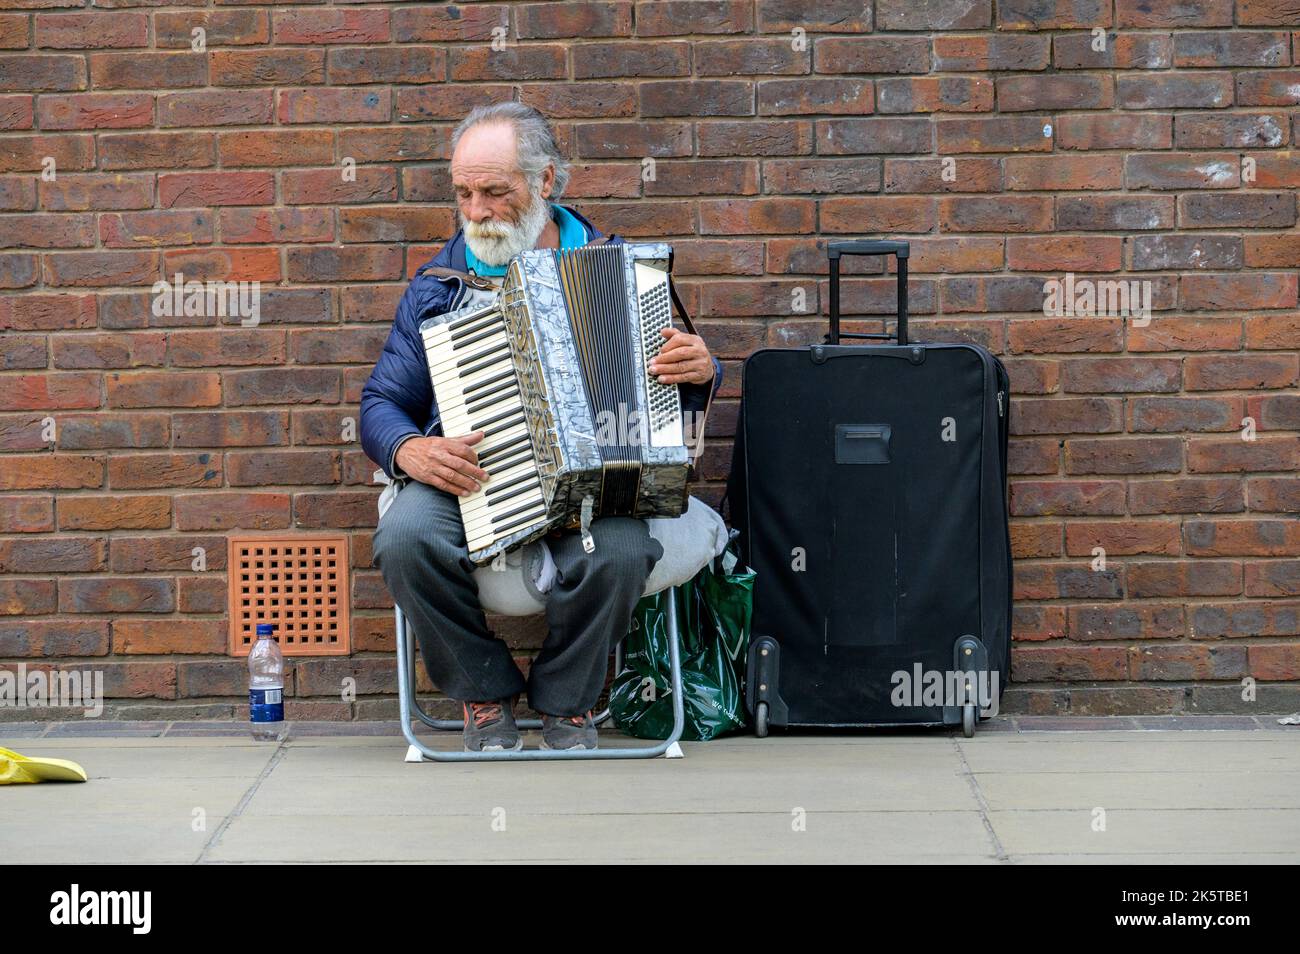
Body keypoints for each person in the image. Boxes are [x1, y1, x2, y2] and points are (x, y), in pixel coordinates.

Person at [361, 103, 723, 751]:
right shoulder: (437, 287)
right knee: (404, 538)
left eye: (495, 193)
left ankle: (568, 699)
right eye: (464, 194)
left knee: (624, 552)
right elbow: (382, 404)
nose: (475, 212)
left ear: (547, 182)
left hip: (597, 483)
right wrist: (408, 447)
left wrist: (699, 372)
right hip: (474, 480)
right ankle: (483, 692)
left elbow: (674, 415)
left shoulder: (622, 272)